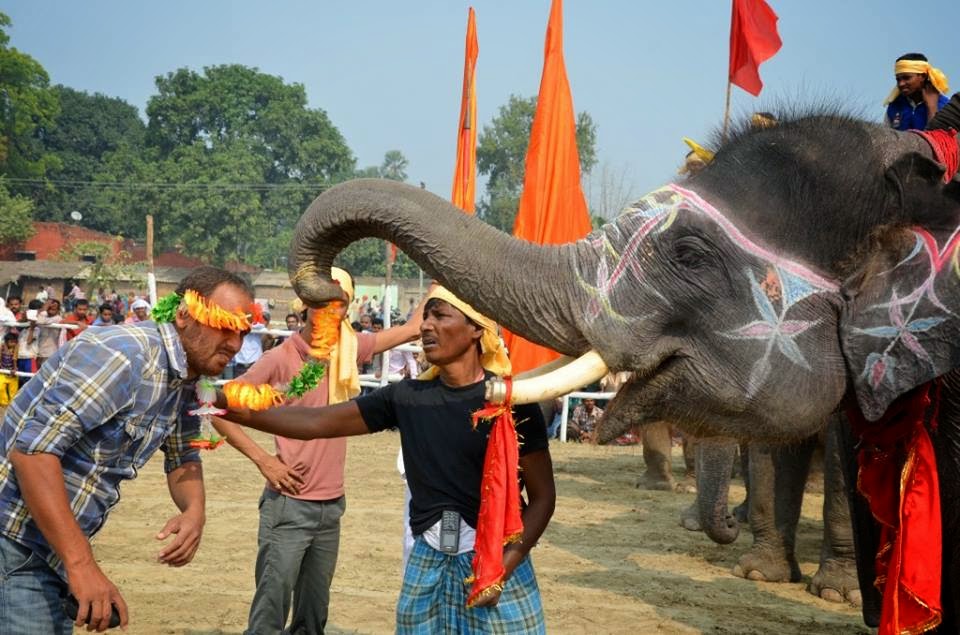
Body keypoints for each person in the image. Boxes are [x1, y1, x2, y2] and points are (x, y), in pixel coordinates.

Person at [219, 286, 555, 633]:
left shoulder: (511, 403)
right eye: (426, 316)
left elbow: (543, 498)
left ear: (476, 330)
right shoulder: (407, 398)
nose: (426, 326)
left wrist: (502, 568)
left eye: (440, 316)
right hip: (428, 562)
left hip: (497, 563)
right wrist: (226, 402)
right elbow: (314, 421)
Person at [0, 266, 256, 633]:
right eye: (225, 325)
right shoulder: (124, 356)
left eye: (242, 331)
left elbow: (184, 454)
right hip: (15, 543)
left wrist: (194, 511)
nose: (234, 342)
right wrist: (83, 565)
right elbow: (33, 453)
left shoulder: (187, 376)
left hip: (52, 546)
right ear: (184, 315)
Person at [212, 268, 426, 635]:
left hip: (331, 505)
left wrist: (439, 276)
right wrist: (264, 461)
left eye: (339, 304)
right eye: (321, 303)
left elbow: (411, 329)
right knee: (271, 610)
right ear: (306, 305)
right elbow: (217, 409)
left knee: (314, 613)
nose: (331, 312)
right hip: (289, 504)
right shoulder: (280, 358)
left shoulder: (348, 348)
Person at [885, 53, 950, 131]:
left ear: (923, 76)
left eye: (906, 78)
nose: (901, 84)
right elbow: (885, 138)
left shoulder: (946, 107)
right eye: (898, 79)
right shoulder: (894, 106)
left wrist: (932, 107)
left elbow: (940, 140)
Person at [15, 300, 40, 389]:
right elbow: (16, 328)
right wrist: (24, 319)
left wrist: (32, 327)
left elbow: (29, 341)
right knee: (19, 379)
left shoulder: (37, 329)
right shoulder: (23, 325)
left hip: (30, 357)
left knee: (29, 379)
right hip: (20, 355)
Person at [35, 299, 63, 369]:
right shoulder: (44, 316)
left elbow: (40, 321)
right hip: (39, 351)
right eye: (50, 306)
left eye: (55, 306)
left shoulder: (58, 318)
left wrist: (45, 308)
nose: (52, 307)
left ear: (58, 309)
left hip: (50, 352)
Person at [0, 332, 18, 406]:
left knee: (13, 390)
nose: (13, 344)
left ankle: (12, 404)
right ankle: (4, 402)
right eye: (11, 342)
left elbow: (14, 359)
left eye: (14, 342)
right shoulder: (2, 347)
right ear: (6, 342)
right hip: (3, 371)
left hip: (12, 372)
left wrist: (14, 369)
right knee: (0, 387)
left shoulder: (15, 347)